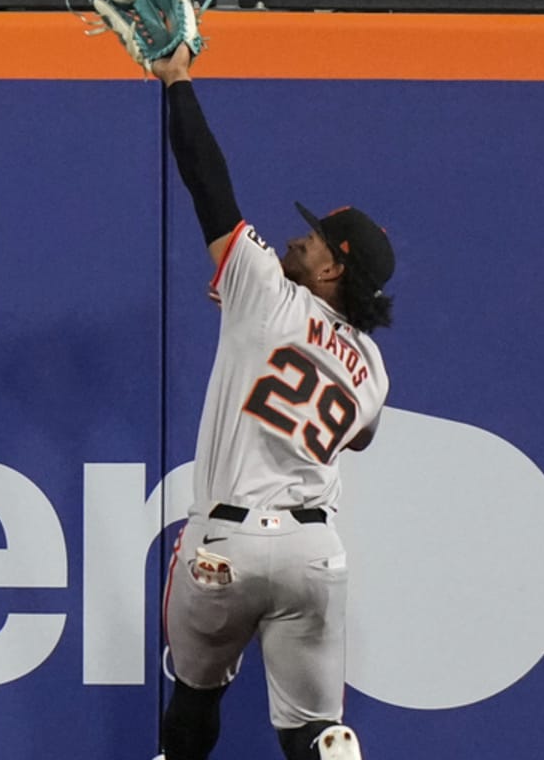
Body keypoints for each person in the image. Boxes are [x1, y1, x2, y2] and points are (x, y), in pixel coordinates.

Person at [149, 41, 395, 760]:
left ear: (331, 270)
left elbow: (207, 182)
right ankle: (333, 747)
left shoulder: (264, 290)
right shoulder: (374, 369)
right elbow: (358, 437)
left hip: (225, 543)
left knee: (195, 696)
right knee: (313, 729)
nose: (301, 236)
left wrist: (176, 78)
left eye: (316, 239)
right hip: (314, 550)